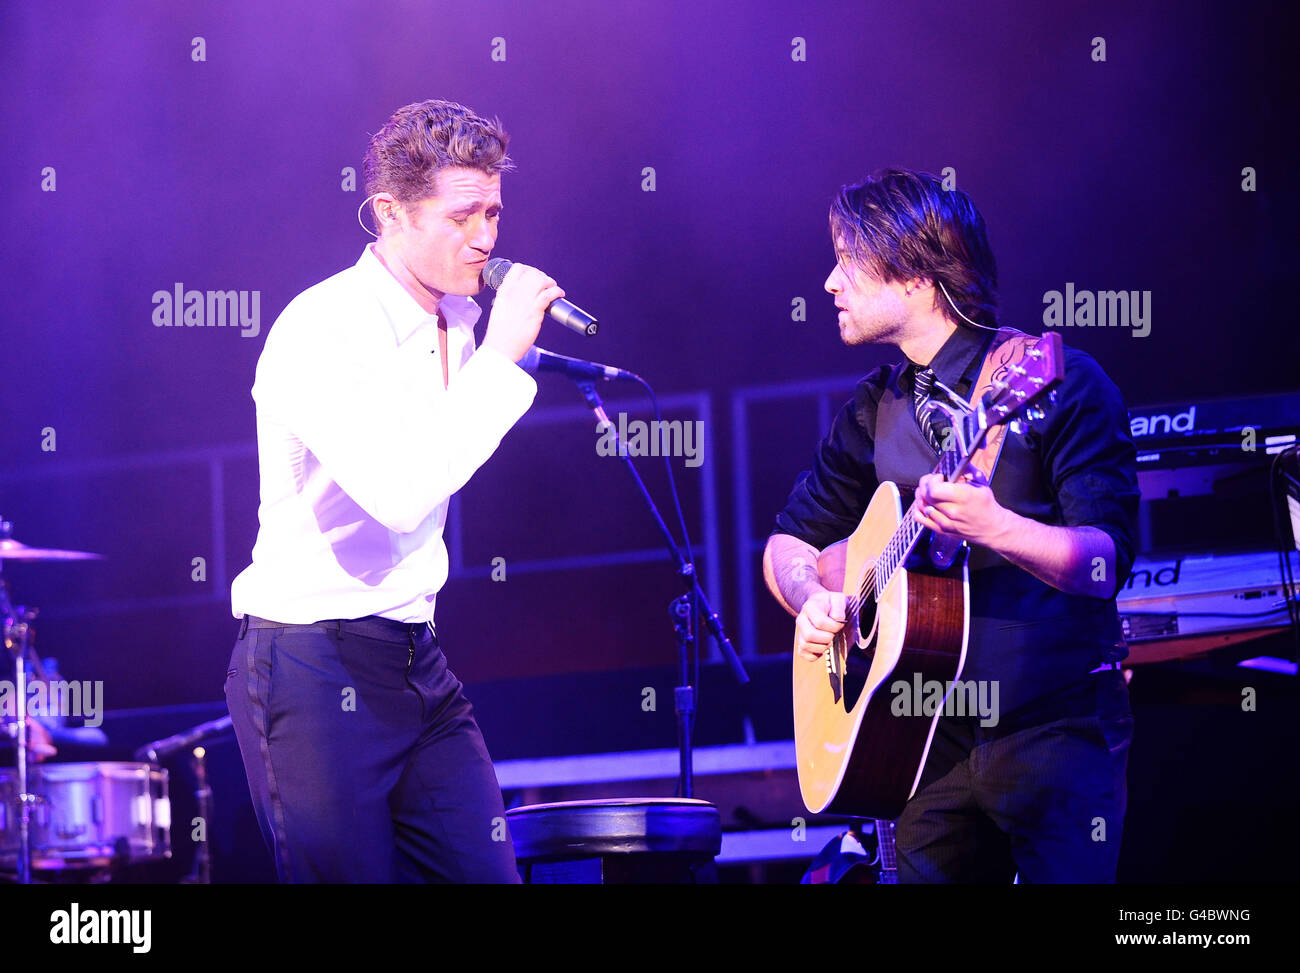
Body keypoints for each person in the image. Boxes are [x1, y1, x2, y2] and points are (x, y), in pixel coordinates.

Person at [763, 168, 1139, 883]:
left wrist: (997, 527)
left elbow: (1105, 563)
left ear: (914, 278)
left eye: (847, 260)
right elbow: (788, 541)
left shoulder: (1053, 382)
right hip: (917, 741)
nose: (828, 283)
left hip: (1053, 728)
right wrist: (807, 592)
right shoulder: (872, 408)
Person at [226, 100, 563, 883]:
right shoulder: (323, 328)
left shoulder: (462, 321)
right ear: (389, 213)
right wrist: (504, 360)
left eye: (495, 212)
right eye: (462, 215)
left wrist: (492, 354)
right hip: (311, 663)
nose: (485, 236)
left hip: (417, 658)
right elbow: (400, 492)